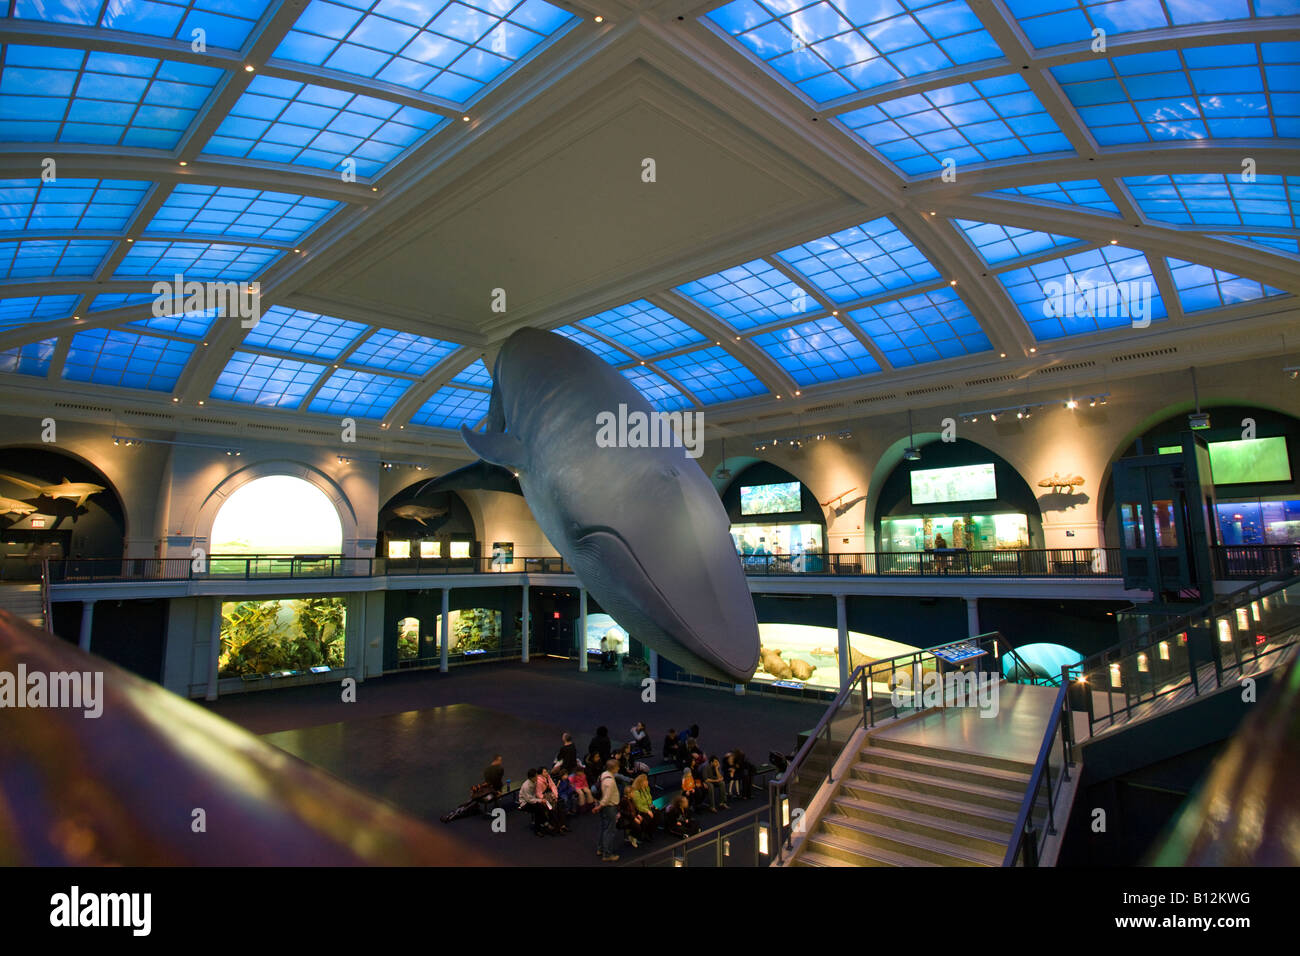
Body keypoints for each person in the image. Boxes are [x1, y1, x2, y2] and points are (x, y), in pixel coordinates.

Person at [597, 758, 621, 862]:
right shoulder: (610, 782)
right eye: (618, 767)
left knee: (604, 828)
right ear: (614, 768)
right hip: (609, 807)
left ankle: (600, 848)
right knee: (610, 831)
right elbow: (606, 798)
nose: (619, 768)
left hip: (604, 807)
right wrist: (600, 806)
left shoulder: (603, 774)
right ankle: (607, 854)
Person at [518, 769, 550, 836]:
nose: (537, 777)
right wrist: (540, 800)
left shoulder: (534, 781)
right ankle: (539, 828)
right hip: (524, 803)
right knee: (538, 809)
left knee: (539, 807)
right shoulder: (526, 786)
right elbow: (529, 800)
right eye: (536, 776)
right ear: (531, 777)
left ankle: (543, 823)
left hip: (532, 800)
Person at [536, 767, 568, 833]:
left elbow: (553, 786)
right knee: (552, 808)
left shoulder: (548, 777)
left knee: (560, 806)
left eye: (546, 771)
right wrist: (545, 800)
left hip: (551, 795)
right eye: (545, 772)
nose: (547, 773)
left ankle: (562, 825)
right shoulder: (538, 781)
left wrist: (555, 796)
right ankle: (557, 827)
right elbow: (539, 794)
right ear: (540, 774)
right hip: (543, 798)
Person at [630, 773, 660, 840]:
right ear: (641, 782)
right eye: (646, 781)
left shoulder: (646, 788)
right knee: (649, 817)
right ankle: (645, 833)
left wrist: (652, 805)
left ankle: (650, 831)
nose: (647, 782)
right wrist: (648, 811)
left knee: (658, 813)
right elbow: (638, 806)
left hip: (648, 807)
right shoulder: (636, 792)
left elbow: (649, 799)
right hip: (640, 810)